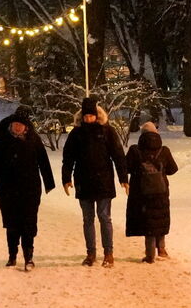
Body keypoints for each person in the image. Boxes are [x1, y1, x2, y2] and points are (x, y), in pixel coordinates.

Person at [0, 107, 54, 271]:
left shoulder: (33, 140)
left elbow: (44, 162)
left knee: (29, 223)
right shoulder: (2, 139)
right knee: (12, 224)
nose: (17, 127)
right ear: (11, 124)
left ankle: (29, 257)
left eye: (20, 125)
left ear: (26, 126)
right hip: (7, 189)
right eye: (15, 124)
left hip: (30, 189)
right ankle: (12, 256)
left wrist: (48, 182)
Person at [61, 96, 127, 268]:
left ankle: (109, 253)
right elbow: (68, 158)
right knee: (87, 219)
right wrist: (66, 178)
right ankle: (91, 253)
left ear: (97, 116)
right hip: (83, 182)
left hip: (103, 181)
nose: (88, 119)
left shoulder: (107, 131)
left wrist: (123, 178)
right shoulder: (76, 134)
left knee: (104, 217)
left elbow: (118, 156)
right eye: (86, 116)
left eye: (91, 116)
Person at [125, 121, 178, 263]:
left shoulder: (135, 150)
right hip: (161, 192)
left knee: (148, 221)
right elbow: (173, 169)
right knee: (159, 219)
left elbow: (126, 168)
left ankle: (149, 255)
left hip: (141, 193)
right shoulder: (164, 150)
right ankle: (161, 249)